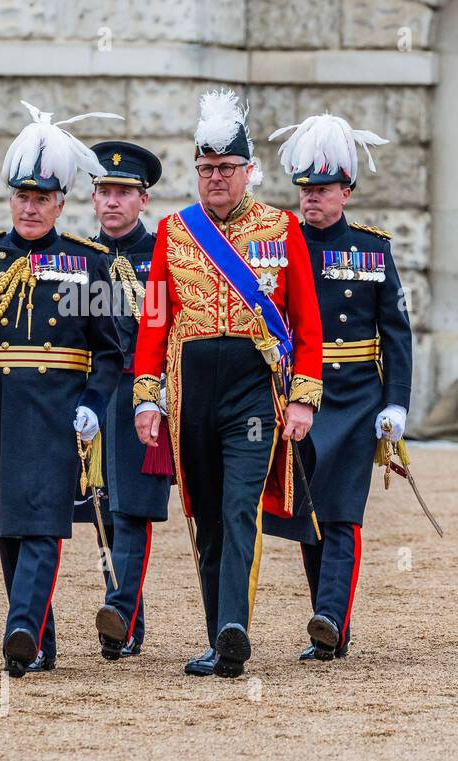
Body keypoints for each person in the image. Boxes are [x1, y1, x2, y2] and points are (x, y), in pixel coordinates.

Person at [132, 89, 323, 678]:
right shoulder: (173, 231)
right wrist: (147, 395)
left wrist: (303, 398)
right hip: (190, 387)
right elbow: (156, 317)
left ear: (248, 171)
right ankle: (220, 637)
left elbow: (308, 320)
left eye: (226, 168)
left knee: (242, 505)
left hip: (252, 388)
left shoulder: (282, 227)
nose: (215, 178)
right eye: (206, 169)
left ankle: (234, 624)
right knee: (206, 511)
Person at [0, 101, 123, 676]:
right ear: (11, 198)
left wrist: (93, 404)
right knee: (8, 522)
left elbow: (111, 351)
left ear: (61, 203)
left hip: (56, 410)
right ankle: (40, 638)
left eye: (42, 199)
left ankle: (20, 626)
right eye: (23, 196)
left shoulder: (87, 263)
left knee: (42, 519)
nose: (31, 207)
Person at [263, 112, 413, 659]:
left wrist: (395, 403)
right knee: (308, 514)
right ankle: (332, 623)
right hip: (299, 396)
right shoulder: (280, 248)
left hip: (353, 398)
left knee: (342, 512)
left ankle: (327, 616)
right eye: (305, 189)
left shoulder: (374, 251)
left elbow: (396, 333)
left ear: (346, 191)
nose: (311, 199)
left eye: (323, 189)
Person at [86, 140, 170, 661]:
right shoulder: (77, 257)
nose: (113, 201)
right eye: (104, 191)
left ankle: (118, 609)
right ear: (92, 199)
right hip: (94, 393)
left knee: (134, 507)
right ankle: (128, 616)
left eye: (124, 192)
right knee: (103, 512)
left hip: (145, 391)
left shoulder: (164, 254)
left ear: (143, 201)